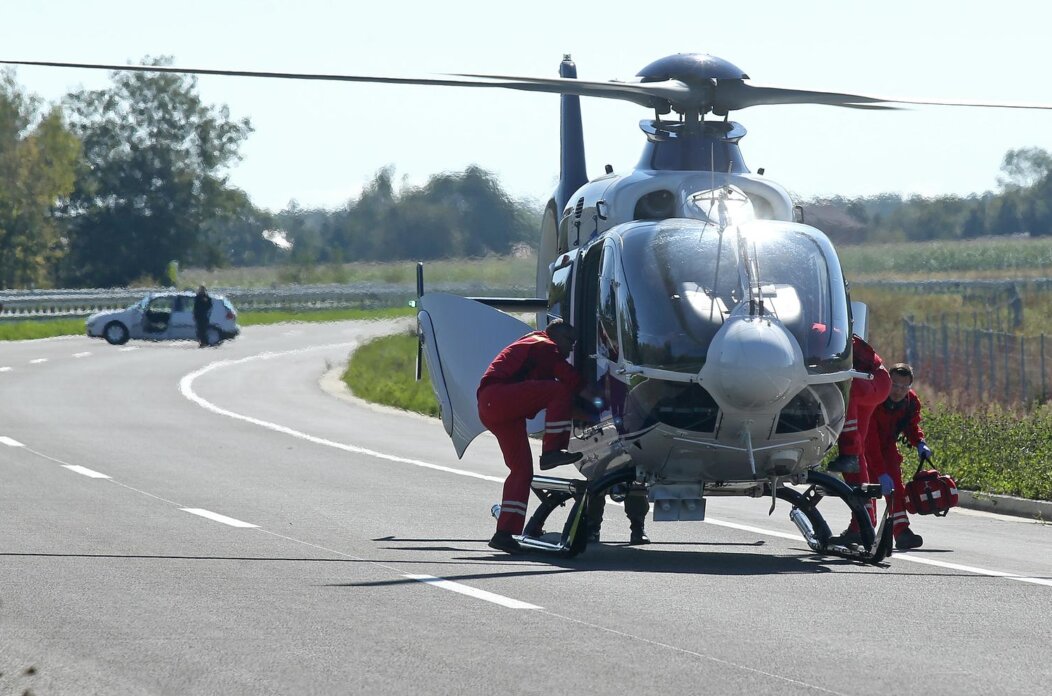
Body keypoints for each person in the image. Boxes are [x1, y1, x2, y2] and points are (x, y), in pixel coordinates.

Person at [477, 320, 585, 554]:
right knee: (559, 390)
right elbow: (569, 379)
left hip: (493, 406)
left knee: (522, 472)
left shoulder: (532, 345)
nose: (571, 349)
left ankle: (504, 534)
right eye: (570, 341)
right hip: (499, 398)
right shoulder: (545, 345)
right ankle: (551, 452)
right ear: (556, 336)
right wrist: (598, 393)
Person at [827, 334, 892, 544]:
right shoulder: (824, 329)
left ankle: (849, 452)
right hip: (875, 381)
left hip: (868, 381)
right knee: (858, 456)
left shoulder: (819, 332)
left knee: (847, 388)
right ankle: (863, 523)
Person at [866, 363, 932, 550]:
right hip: (864, 447)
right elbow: (870, 442)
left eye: (904, 387)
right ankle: (864, 529)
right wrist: (880, 472)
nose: (898, 391)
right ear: (887, 382)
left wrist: (919, 442)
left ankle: (902, 531)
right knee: (866, 490)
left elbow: (911, 426)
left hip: (887, 447)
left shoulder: (910, 402)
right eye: (894, 385)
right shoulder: (875, 399)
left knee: (896, 489)